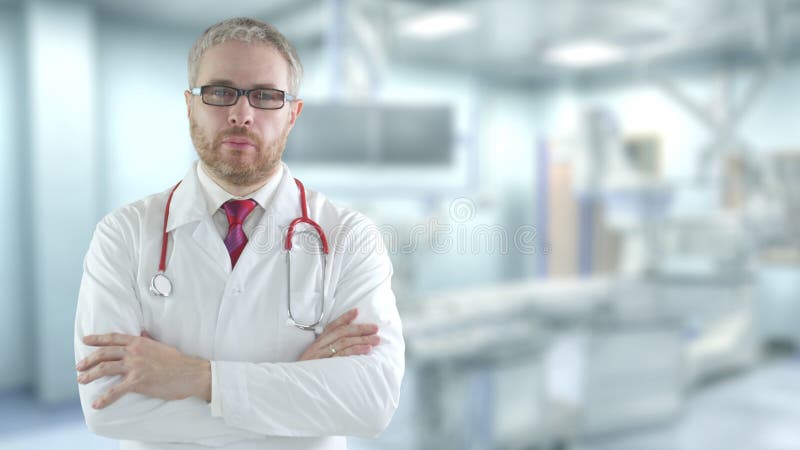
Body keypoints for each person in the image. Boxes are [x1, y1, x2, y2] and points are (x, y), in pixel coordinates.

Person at [73, 17, 404, 450]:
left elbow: (370, 402)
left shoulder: (350, 236)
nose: (241, 114)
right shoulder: (123, 234)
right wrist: (299, 391)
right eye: (220, 92)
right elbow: (108, 405)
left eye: (266, 96)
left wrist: (198, 378)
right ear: (190, 105)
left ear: (292, 114)